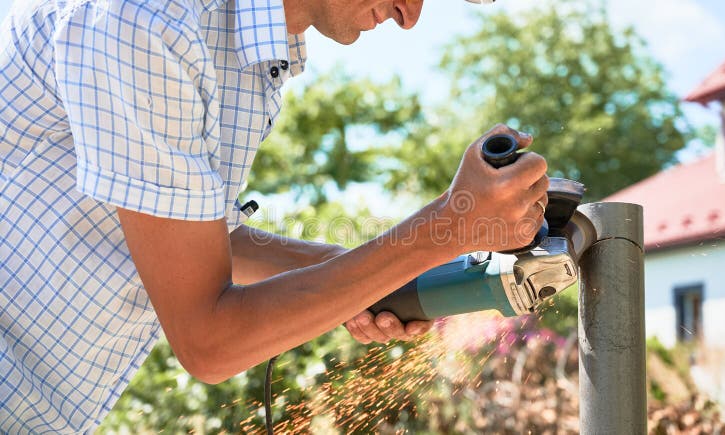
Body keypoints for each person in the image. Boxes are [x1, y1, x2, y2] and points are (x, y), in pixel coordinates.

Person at [0, 0, 549, 431]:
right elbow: (209, 341)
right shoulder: (148, 18)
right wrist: (447, 229)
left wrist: (365, 280)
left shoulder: (246, 55)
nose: (411, 15)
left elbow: (196, 239)